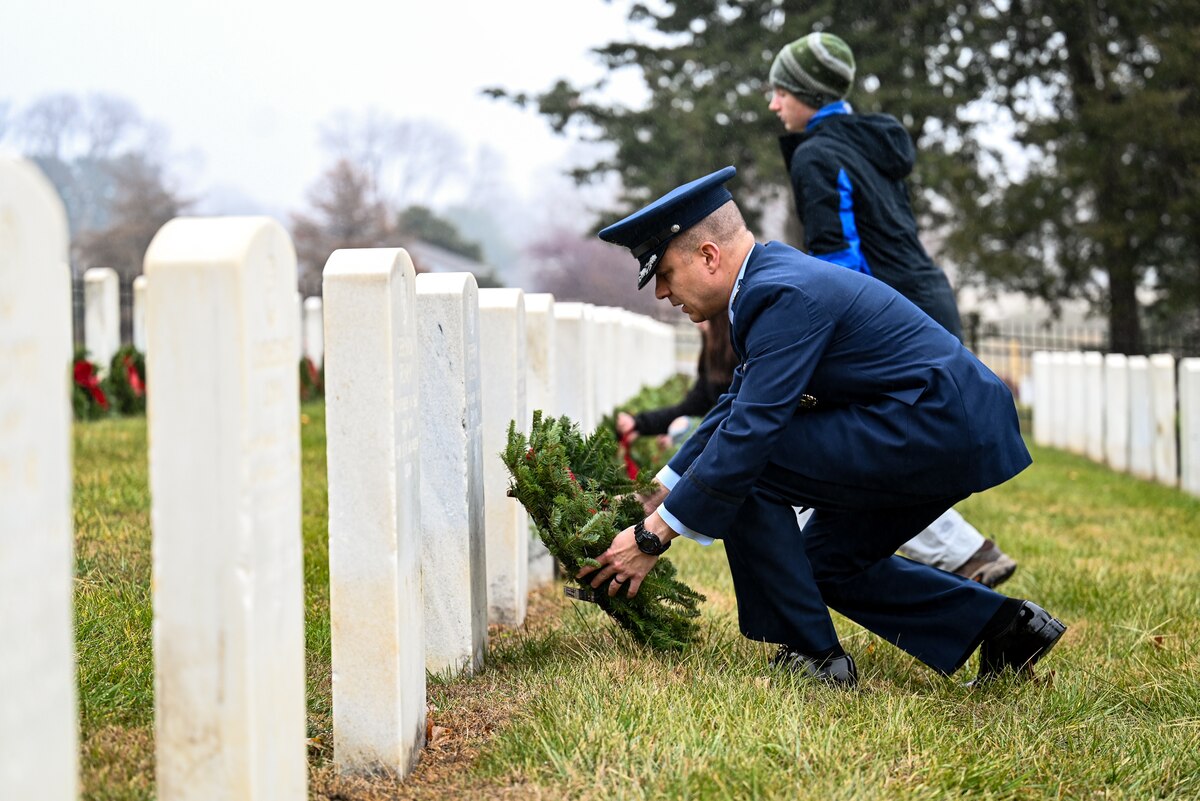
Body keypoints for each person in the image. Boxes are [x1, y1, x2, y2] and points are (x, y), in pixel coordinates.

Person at [584, 166, 1066, 687]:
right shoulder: (767, 284)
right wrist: (660, 490)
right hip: (939, 425)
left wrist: (653, 536)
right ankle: (1006, 627)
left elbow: (750, 433)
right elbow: (737, 402)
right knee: (820, 567)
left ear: (707, 256)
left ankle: (817, 658)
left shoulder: (780, 293)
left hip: (933, 424)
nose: (660, 292)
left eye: (664, 273)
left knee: (752, 463)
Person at [766, 31, 1017, 587]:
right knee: (884, 452)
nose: (773, 103)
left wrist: (819, 342)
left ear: (806, 92)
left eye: (781, 90)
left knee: (845, 454)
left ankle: (960, 558)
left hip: (889, 319)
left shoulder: (817, 154)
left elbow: (838, 261)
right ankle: (969, 554)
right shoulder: (869, 142)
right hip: (927, 302)